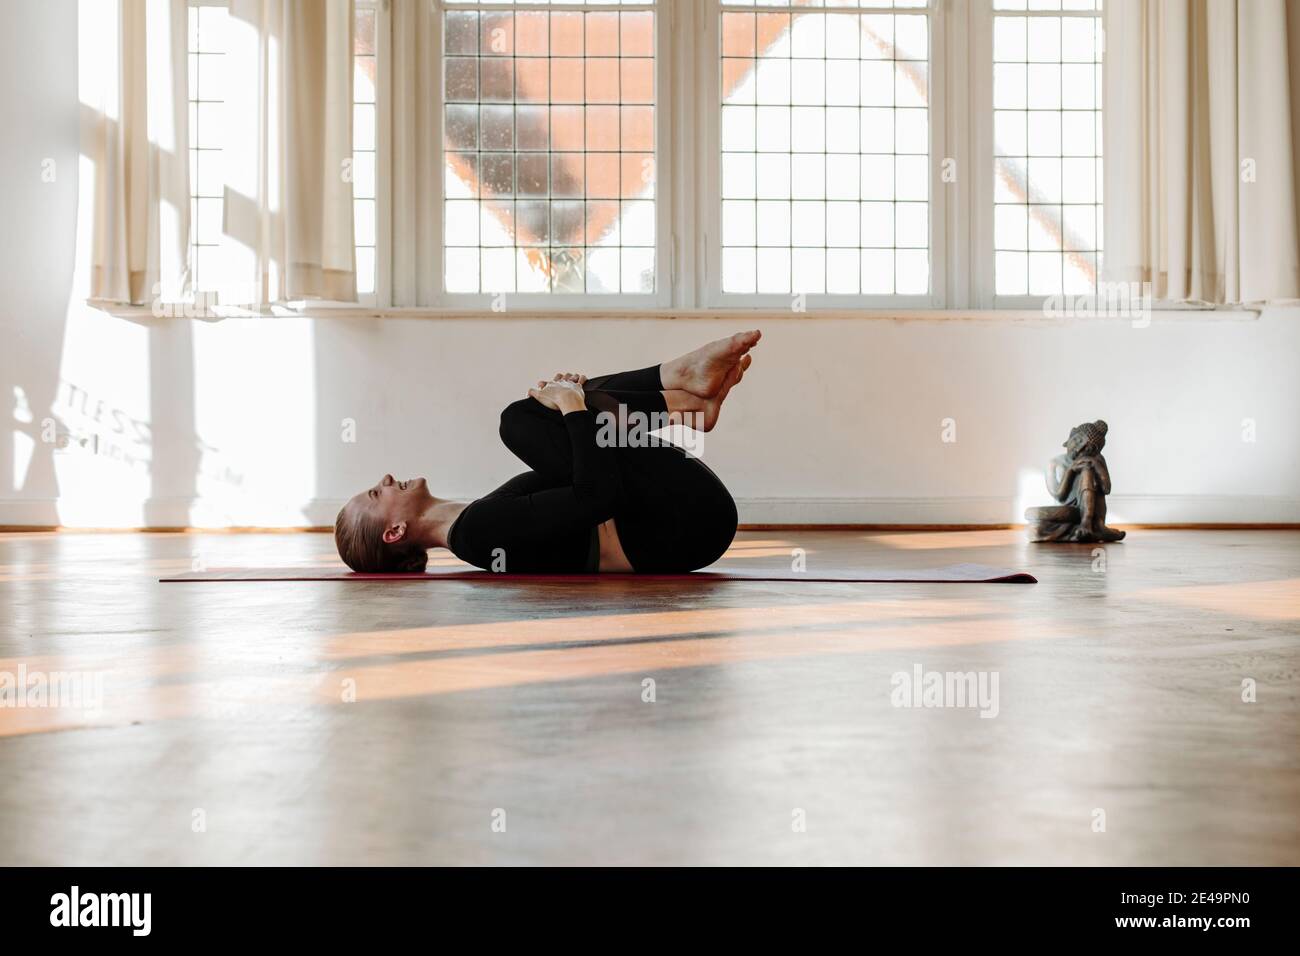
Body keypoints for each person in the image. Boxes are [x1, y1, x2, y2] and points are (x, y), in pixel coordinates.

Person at [334, 331, 760, 573]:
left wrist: (575, 402)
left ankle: (685, 390)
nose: (386, 480)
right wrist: (574, 407)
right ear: (395, 533)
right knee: (518, 420)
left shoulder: (474, 523)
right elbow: (599, 497)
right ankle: (684, 391)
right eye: (376, 495)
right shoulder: (478, 531)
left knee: (538, 413)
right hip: (681, 524)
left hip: (681, 521)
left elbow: (584, 480)